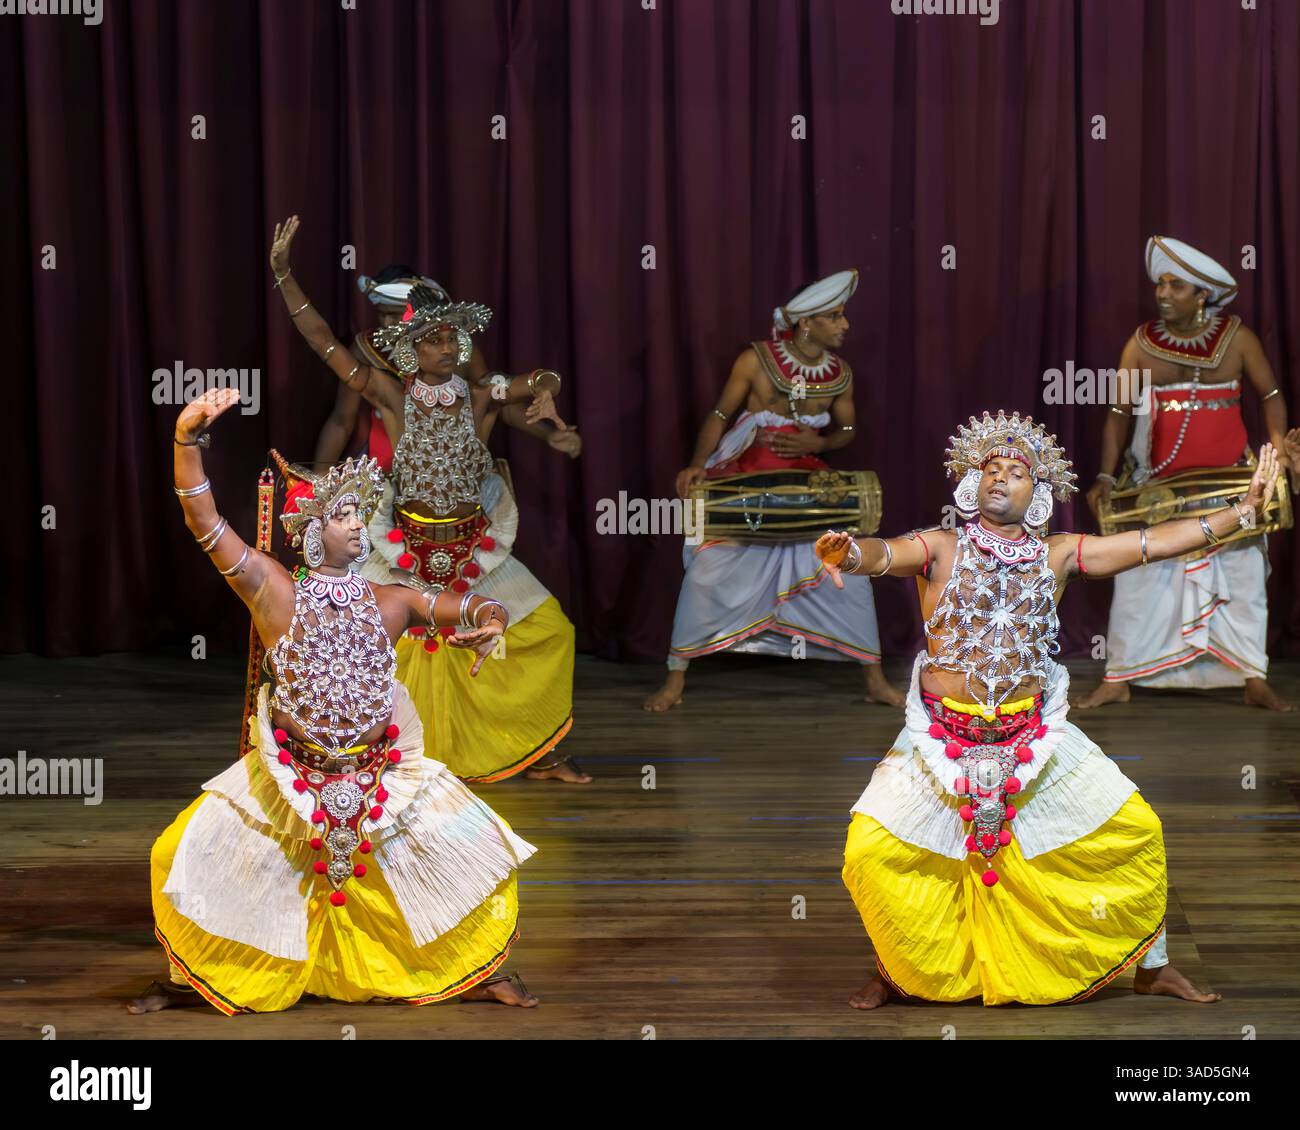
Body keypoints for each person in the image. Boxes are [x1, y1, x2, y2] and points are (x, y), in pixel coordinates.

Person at [819, 409, 1269, 1007]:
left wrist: (1242, 512)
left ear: (1039, 494)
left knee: (1135, 829)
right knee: (874, 849)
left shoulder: (1059, 554)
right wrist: (848, 553)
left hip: (1032, 736)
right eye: (991, 469)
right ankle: (893, 968)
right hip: (941, 737)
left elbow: (1148, 544)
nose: (1000, 479)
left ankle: (1150, 967)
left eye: (1016, 473)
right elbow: (882, 555)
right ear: (972, 483)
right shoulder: (940, 546)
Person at [129, 387, 539, 1015]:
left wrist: (492, 618)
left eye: (360, 515)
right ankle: (197, 976)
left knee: (478, 845)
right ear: (312, 530)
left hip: (379, 776)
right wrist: (187, 440)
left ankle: (474, 970)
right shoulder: (273, 589)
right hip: (289, 777)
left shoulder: (391, 600)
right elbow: (202, 521)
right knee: (182, 854)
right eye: (344, 514)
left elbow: (466, 604)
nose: (357, 524)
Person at [270, 215, 587, 784]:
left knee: (551, 631)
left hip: (474, 551)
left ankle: (534, 752)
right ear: (412, 349)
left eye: (452, 339)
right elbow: (324, 344)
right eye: (435, 340)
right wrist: (285, 276)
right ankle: (384, 759)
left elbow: (538, 377)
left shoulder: (481, 395)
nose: (448, 347)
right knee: (378, 644)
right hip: (403, 549)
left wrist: (547, 391)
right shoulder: (390, 395)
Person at [644, 270, 902, 712]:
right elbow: (720, 416)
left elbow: (847, 429)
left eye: (843, 315)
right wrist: (698, 464)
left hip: (807, 489)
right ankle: (674, 681)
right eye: (835, 317)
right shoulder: (755, 360)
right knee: (706, 572)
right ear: (806, 322)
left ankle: (875, 680)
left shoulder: (840, 373)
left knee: (849, 574)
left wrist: (819, 443)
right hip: (747, 483)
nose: (845, 325)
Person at [1078, 236, 1298, 712]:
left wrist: (1279, 453)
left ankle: (1252, 677)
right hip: (1158, 489)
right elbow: (1118, 413)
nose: (1162, 294)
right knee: (1138, 580)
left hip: (1231, 486)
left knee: (1242, 577)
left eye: (1175, 286)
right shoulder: (1140, 346)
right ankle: (1119, 677)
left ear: (1202, 296)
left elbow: (1271, 396)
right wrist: (1106, 476)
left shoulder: (1238, 339)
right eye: (1160, 284)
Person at [314, 266, 582, 471]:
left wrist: (549, 434)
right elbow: (341, 421)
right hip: (385, 467)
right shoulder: (365, 349)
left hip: (452, 470)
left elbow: (498, 401)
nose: (387, 323)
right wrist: (318, 483)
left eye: (395, 314)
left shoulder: (456, 352)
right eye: (382, 314)